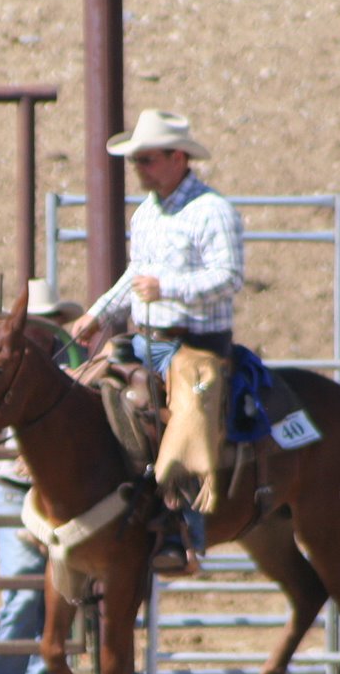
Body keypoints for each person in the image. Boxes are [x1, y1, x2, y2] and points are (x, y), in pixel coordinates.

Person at [68, 109, 246, 573]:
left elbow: (229, 278)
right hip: (147, 339)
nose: (139, 169)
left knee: (188, 415)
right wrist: (98, 313)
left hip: (198, 344)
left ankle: (181, 531)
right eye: (136, 161)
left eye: (146, 159)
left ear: (177, 158)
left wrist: (168, 288)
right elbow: (135, 275)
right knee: (83, 384)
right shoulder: (147, 211)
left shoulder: (212, 211)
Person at [0, 280, 80, 674]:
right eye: (32, 325)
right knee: (24, 594)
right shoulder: (3, 363)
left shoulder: (76, 367)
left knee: (58, 599)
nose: (38, 333)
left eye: (46, 325)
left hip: (64, 492)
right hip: (17, 485)